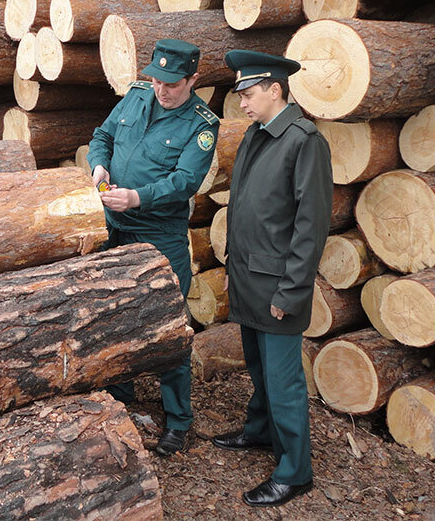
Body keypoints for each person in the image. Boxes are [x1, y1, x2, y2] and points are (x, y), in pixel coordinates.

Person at [87, 38, 220, 456]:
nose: (162, 90)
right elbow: (103, 135)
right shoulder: (137, 94)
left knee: (168, 326)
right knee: (114, 315)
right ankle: (120, 396)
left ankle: (178, 420)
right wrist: (98, 165)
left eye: (172, 84)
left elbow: (185, 181)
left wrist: (137, 197)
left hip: (159, 235)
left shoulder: (202, 124)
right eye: (156, 80)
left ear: (193, 79)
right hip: (114, 227)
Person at [211, 50, 333, 507]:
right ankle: (260, 432)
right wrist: (230, 271)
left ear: (275, 89)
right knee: (259, 370)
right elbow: (244, 209)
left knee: (284, 384)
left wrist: (293, 290)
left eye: (248, 93)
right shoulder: (255, 136)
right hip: (248, 279)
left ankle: (295, 471)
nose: (241, 102)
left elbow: (310, 226)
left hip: (279, 286)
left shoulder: (304, 142)